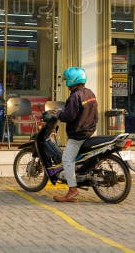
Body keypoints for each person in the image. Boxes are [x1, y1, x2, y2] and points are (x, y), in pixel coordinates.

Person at [53, 66, 98, 203]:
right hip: (90, 130)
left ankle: (72, 190)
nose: (65, 82)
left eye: (67, 79)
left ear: (72, 80)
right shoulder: (90, 93)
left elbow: (69, 116)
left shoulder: (74, 97)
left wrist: (59, 114)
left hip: (79, 134)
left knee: (66, 159)